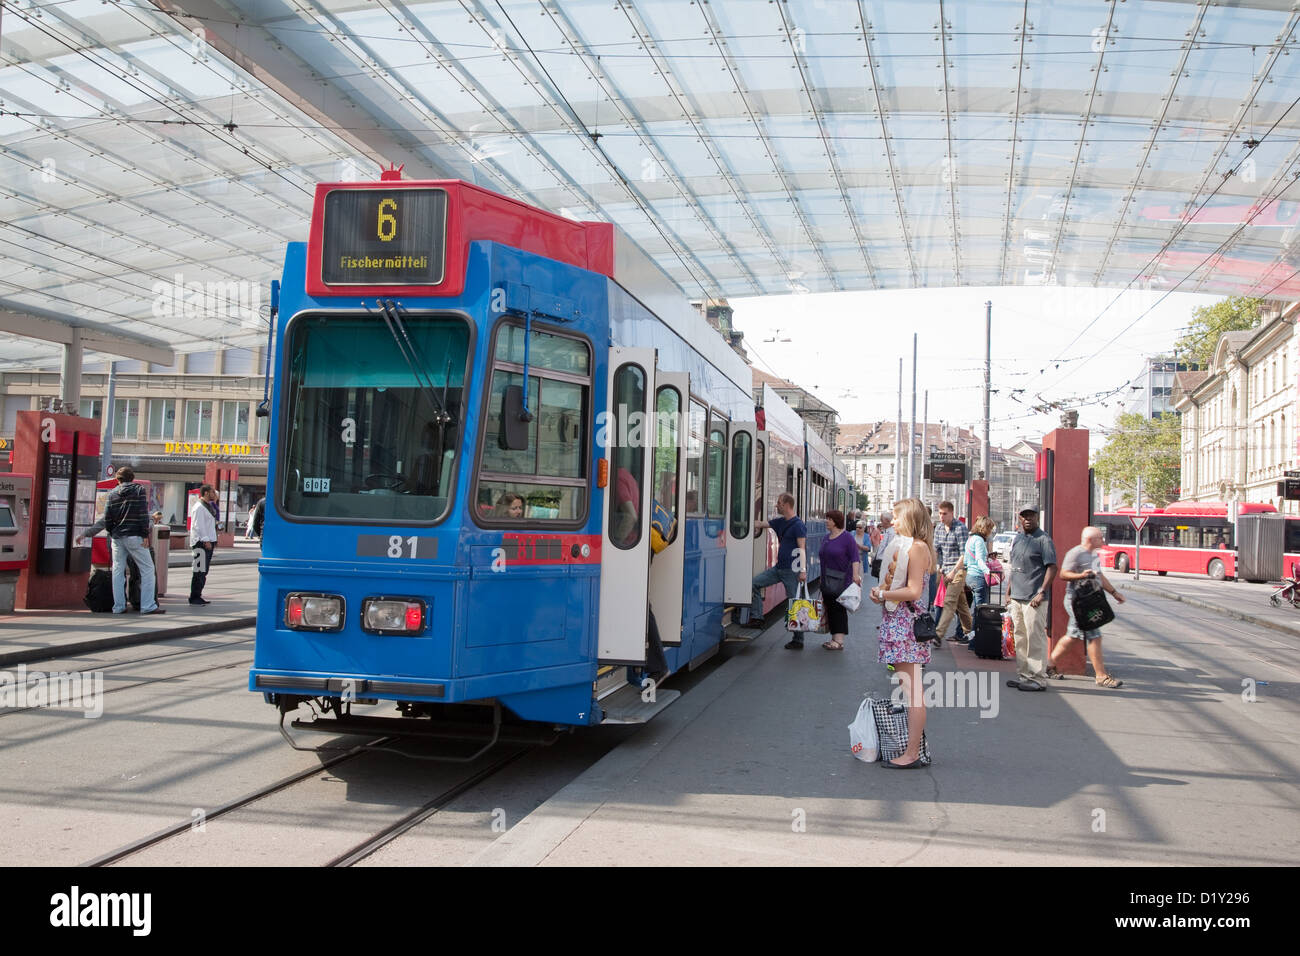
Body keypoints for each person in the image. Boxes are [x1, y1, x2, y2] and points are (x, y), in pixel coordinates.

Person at [868, 498, 937, 768]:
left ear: (908, 519)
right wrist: (882, 596)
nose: (893, 522)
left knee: (912, 693)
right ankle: (913, 749)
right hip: (901, 624)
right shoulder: (913, 547)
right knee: (909, 690)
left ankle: (911, 754)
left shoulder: (917, 549)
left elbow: (913, 591)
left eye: (897, 517)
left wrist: (883, 593)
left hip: (905, 627)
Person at [76, 466, 164, 616]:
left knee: (118, 571)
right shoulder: (138, 491)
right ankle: (148, 606)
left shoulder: (112, 494)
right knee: (147, 569)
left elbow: (106, 519)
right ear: (132, 478)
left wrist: (86, 533)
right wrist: (144, 535)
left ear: (118, 480)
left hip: (117, 538)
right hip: (135, 536)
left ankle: (119, 606)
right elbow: (142, 514)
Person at [1049, 526, 1126, 688]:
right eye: (1100, 538)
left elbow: (1099, 576)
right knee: (1094, 635)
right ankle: (1101, 676)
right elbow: (1063, 574)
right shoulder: (1075, 553)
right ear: (1091, 540)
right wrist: (1081, 575)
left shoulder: (1093, 554)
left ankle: (1049, 664)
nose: (1102, 540)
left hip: (1089, 599)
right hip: (1076, 601)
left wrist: (1114, 592)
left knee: (1073, 636)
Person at [1006, 507, 1058, 691]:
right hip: (1017, 596)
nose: (1027, 519)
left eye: (1031, 516)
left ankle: (1037, 678)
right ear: (1020, 518)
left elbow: (1052, 567)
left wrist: (1042, 591)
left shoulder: (1044, 540)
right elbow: (1014, 566)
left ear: (1037, 518)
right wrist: (1009, 591)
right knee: (1020, 637)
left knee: (1034, 638)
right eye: (1024, 516)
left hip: (1034, 597)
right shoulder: (1018, 538)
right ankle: (1024, 675)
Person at [748, 492, 808, 649]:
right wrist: (743, 520)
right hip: (779, 569)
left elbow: (802, 549)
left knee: (794, 603)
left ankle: (798, 640)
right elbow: (761, 524)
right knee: (754, 584)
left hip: (792, 571)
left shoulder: (798, 525)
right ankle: (757, 618)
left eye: (779, 503)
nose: (777, 505)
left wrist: (803, 571)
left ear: (787, 505)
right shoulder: (781, 522)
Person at [819, 509, 863, 651]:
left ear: (836, 521)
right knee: (830, 607)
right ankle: (833, 637)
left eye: (829, 519)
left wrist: (855, 576)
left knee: (838, 608)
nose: (827, 521)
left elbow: (855, 557)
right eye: (827, 518)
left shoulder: (847, 538)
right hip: (827, 578)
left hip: (842, 578)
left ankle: (839, 640)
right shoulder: (826, 537)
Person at [933, 500, 972, 646]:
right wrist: (937, 567)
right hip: (944, 570)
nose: (941, 517)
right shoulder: (939, 529)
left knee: (948, 602)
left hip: (958, 570)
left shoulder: (960, 528)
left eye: (944, 514)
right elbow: (936, 550)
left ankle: (938, 634)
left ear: (951, 513)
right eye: (940, 513)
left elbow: (964, 555)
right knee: (961, 605)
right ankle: (972, 631)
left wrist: (954, 571)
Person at [189, 484, 218, 606]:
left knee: (203, 571)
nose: (214, 494)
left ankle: (198, 595)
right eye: (212, 492)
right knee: (199, 570)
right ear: (206, 493)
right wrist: (206, 540)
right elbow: (198, 525)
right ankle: (194, 596)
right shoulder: (199, 507)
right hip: (200, 543)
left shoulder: (207, 506)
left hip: (207, 541)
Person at [964, 516, 996, 613]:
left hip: (969, 577)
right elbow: (979, 560)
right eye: (990, 528)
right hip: (978, 578)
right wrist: (988, 572)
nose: (990, 531)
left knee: (967, 608)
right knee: (981, 610)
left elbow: (965, 560)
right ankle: (975, 628)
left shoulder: (970, 538)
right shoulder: (979, 540)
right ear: (985, 528)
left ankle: (964, 628)